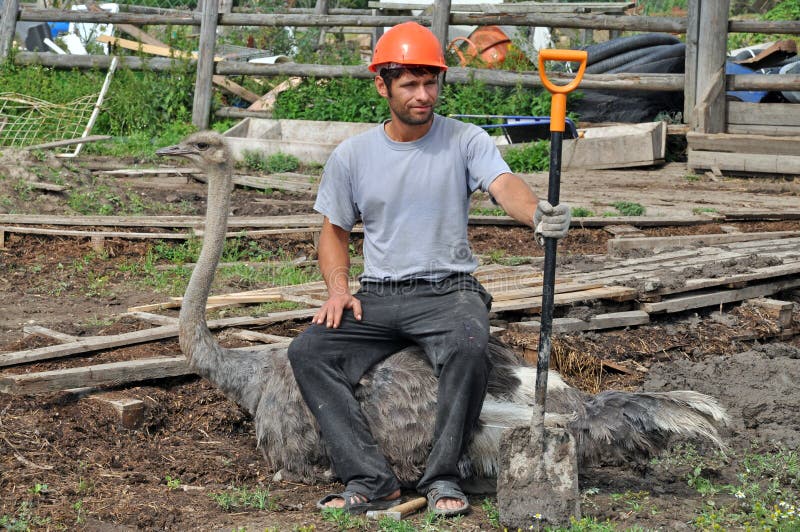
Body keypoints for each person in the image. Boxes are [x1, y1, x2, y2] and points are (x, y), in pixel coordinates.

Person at [287, 21, 571, 517]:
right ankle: (370, 478)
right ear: (382, 85)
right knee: (309, 351)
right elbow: (333, 233)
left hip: (449, 291)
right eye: (410, 84)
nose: (423, 95)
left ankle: (442, 477)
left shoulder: (465, 140)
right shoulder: (352, 157)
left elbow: (504, 183)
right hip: (377, 295)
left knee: (469, 345)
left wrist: (537, 216)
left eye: (431, 82)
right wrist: (337, 290)